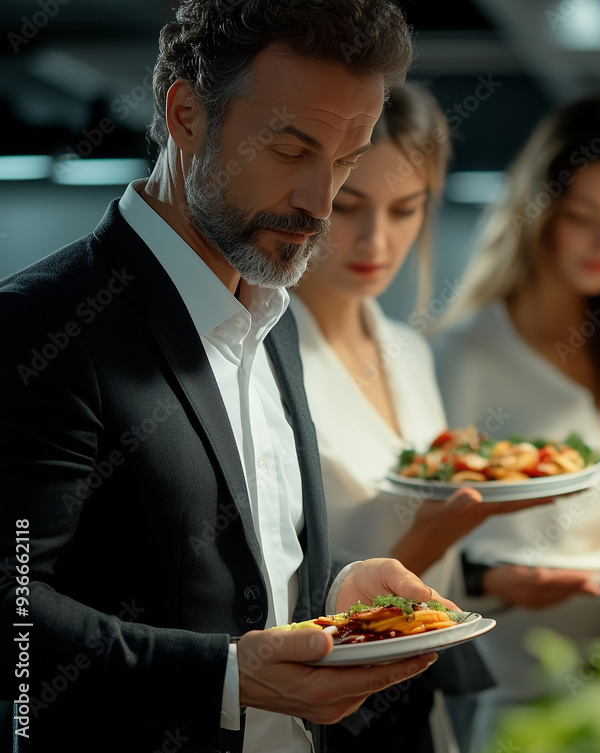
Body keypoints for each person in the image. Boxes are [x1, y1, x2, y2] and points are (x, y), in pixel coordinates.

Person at [0, 2, 454, 751]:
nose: (320, 202)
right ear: (186, 116)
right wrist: (227, 679)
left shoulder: (276, 317)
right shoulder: (41, 327)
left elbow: (240, 565)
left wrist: (336, 589)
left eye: (345, 158)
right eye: (290, 149)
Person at [288, 82, 550, 753]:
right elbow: (277, 588)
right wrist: (425, 543)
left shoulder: (405, 351)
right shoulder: (264, 356)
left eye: (406, 209)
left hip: (419, 685)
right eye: (350, 205)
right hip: (321, 704)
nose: (378, 238)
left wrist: (491, 577)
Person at [430, 94, 600, 739]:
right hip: (523, 699)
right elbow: (420, 547)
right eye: (584, 217)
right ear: (538, 212)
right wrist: (497, 581)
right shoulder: (467, 355)